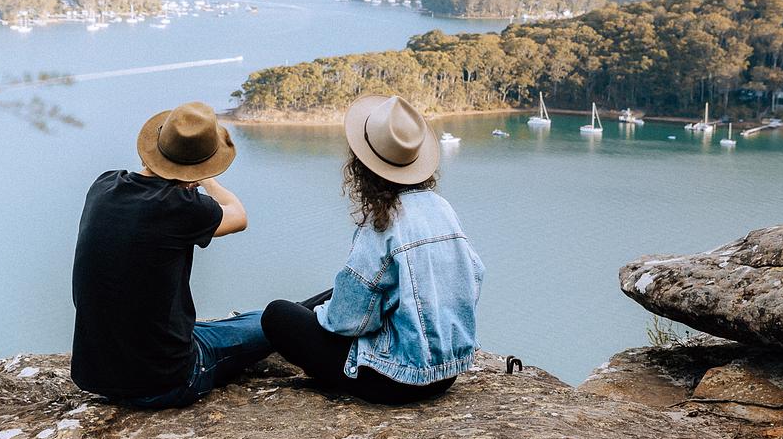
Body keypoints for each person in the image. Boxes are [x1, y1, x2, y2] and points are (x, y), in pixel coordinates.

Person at [262, 94, 485, 404]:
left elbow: (346, 322)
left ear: (363, 166)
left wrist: (322, 316)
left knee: (277, 315)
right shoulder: (442, 208)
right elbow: (473, 276)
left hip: (395, 379)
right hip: (446, 374)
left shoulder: (382, 224)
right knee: (333, 293)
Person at [70, 101, 271, 409]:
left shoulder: (104, 185)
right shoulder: (181, 207)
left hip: (97, 376)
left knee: (230, 324)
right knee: (272, 320)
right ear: (195, 170)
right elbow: (238, 215)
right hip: (167, 380)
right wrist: (207, 179)